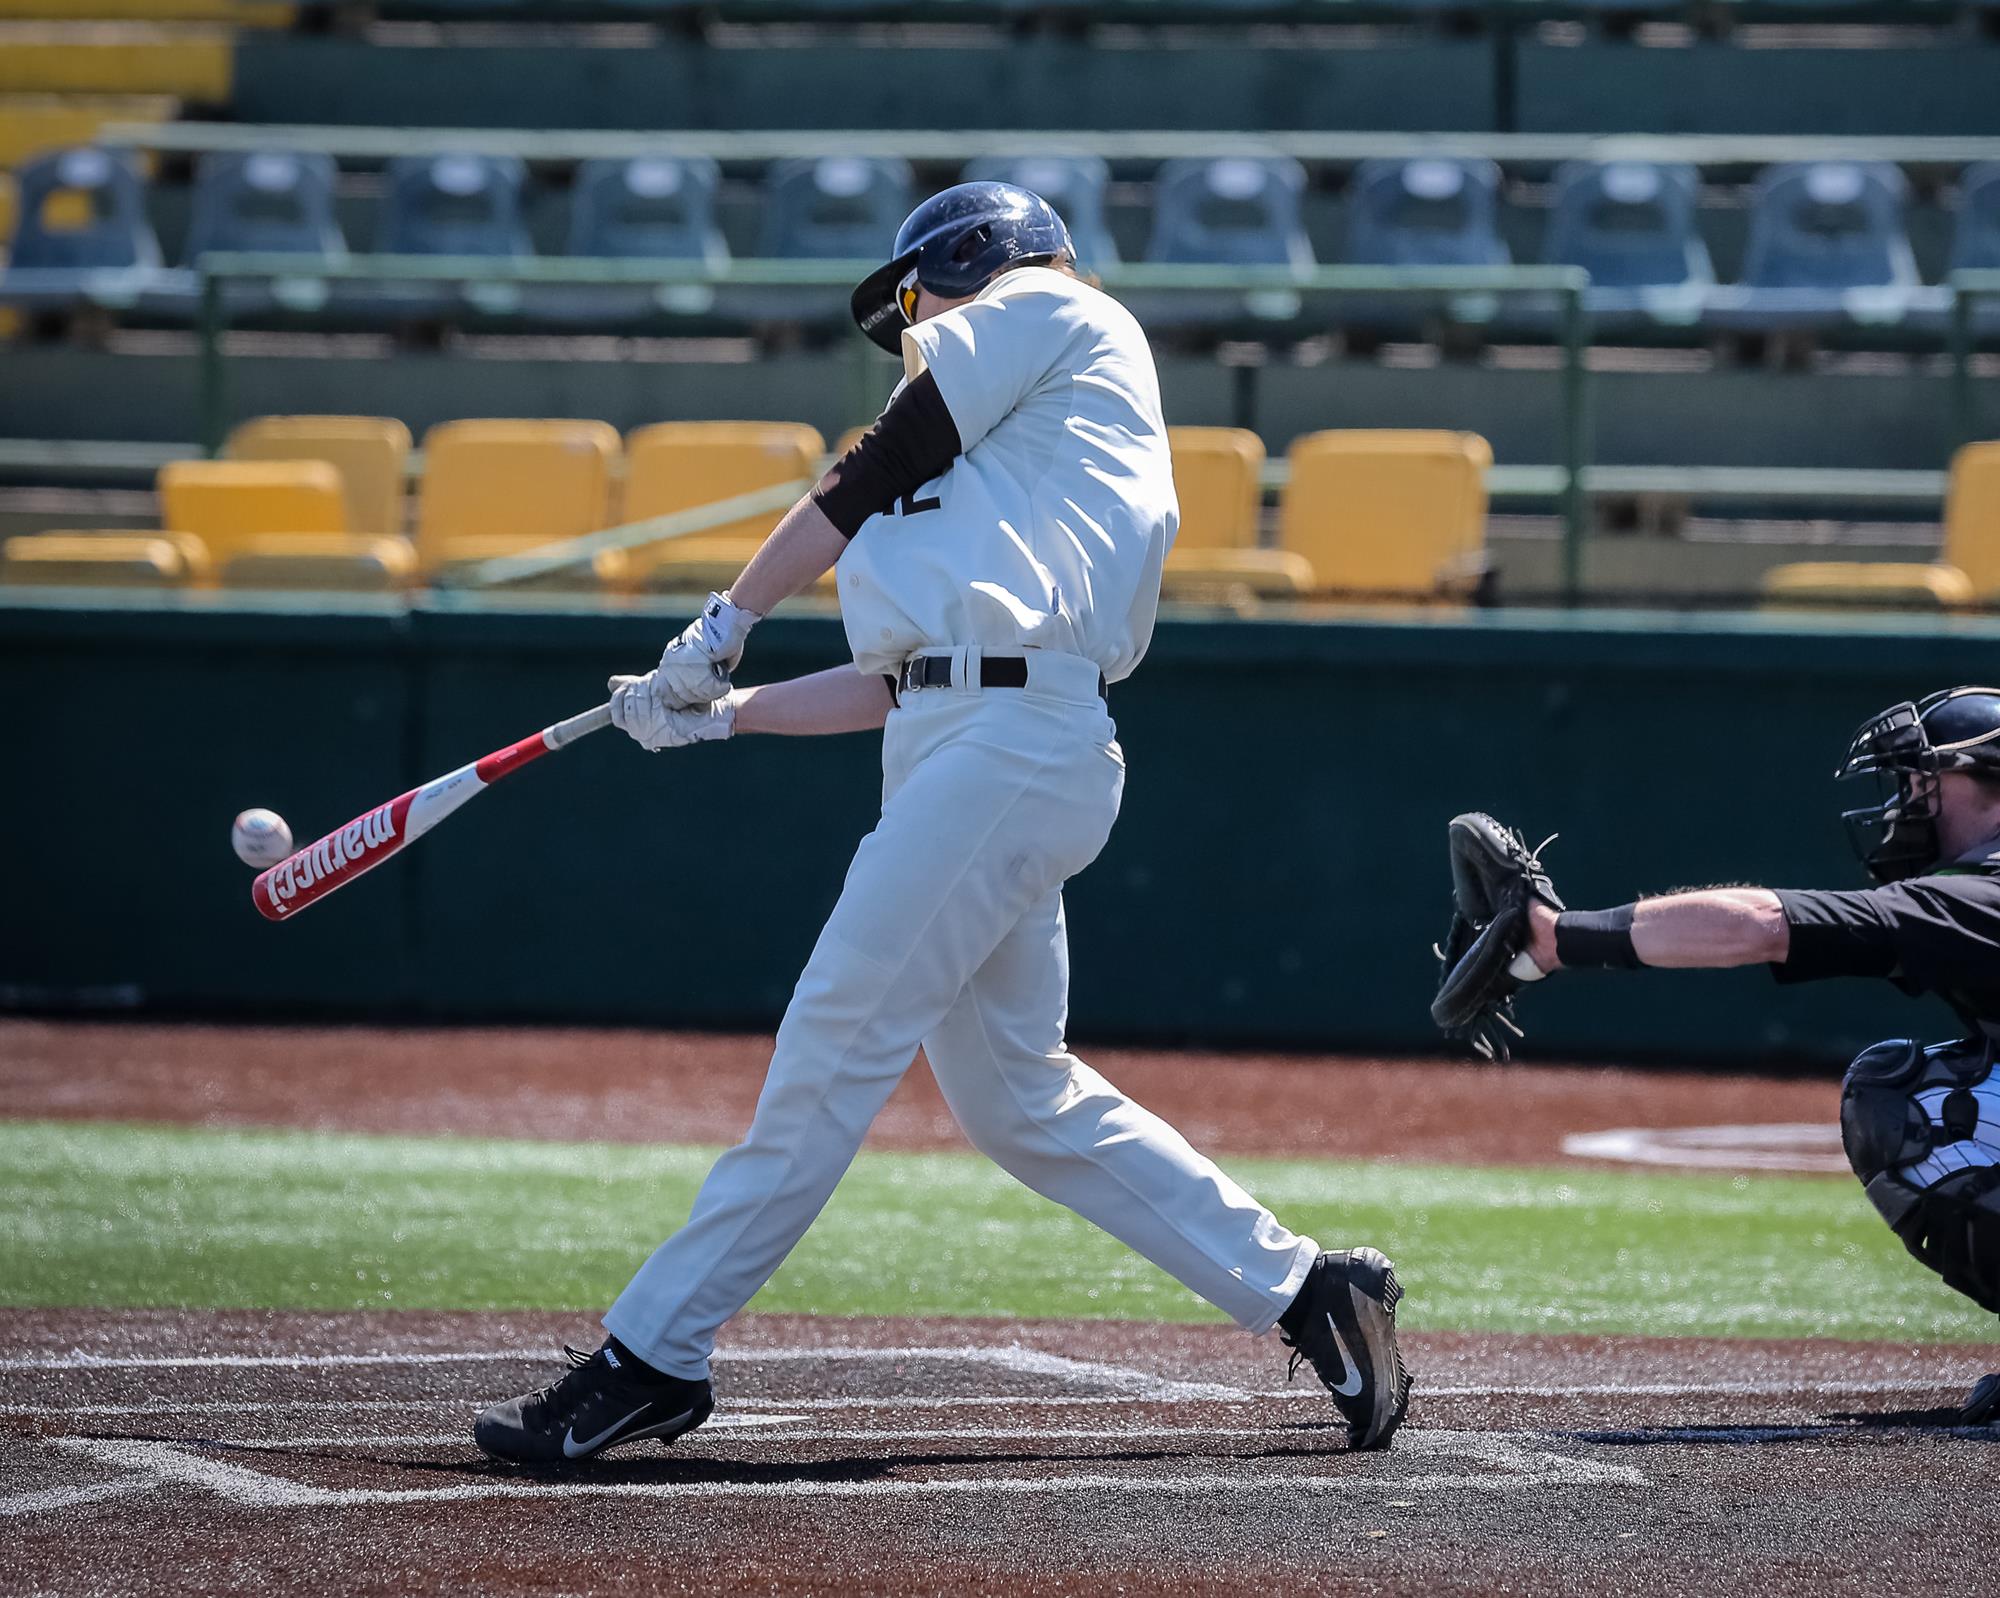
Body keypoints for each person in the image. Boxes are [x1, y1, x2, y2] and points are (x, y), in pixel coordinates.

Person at [472, 182, 1413, 1464]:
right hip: (966, 748)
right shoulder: (993, 481)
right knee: (1019, 1099)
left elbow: (880, 462)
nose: (908, 323)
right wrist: (721, 710)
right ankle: (1312, 1289)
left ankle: (652, 1354)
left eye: (917, 294)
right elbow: (900, 679)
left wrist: (724, 617)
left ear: (975, 258)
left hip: (1018, 744)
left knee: (831, 1044)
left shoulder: (1056, 313)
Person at [1441, 685, 2000, 1426]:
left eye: (1921, 782)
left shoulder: (1981, 895)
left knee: (1908, 1104)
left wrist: (1557, 938)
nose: (1903, 803)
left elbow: (1760, 925)